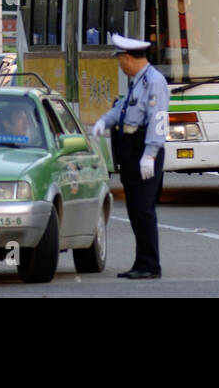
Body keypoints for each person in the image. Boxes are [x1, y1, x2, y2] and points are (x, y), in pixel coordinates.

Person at [91, 33, 169, 280]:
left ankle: (150, 264)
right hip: (130, 147)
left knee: (143, 209)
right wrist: (105, 120)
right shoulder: (138, 80)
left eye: (119, 60)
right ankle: (141, 261)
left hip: (143, 148)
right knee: (136, 209)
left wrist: (150, 154)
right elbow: (123, 109)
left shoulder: (154, 81)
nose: (119, 65)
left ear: (128, 58)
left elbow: (158, 120)